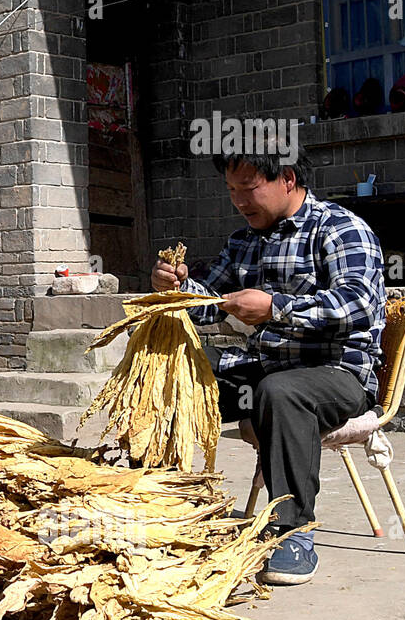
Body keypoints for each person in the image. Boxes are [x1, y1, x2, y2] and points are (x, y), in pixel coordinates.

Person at [152, 147, 385, 585]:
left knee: (281, 392)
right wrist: (178, 287)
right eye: (231, 190)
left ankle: (292, 532)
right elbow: (207, 307)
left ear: (289, 179)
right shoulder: (243, 242)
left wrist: (276, 307)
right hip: (264, 367)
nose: (240, 200)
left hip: (336, 374)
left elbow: (358, 304)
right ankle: (157, 495)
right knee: (176, 371)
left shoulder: (339, 229)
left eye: (249, 188)